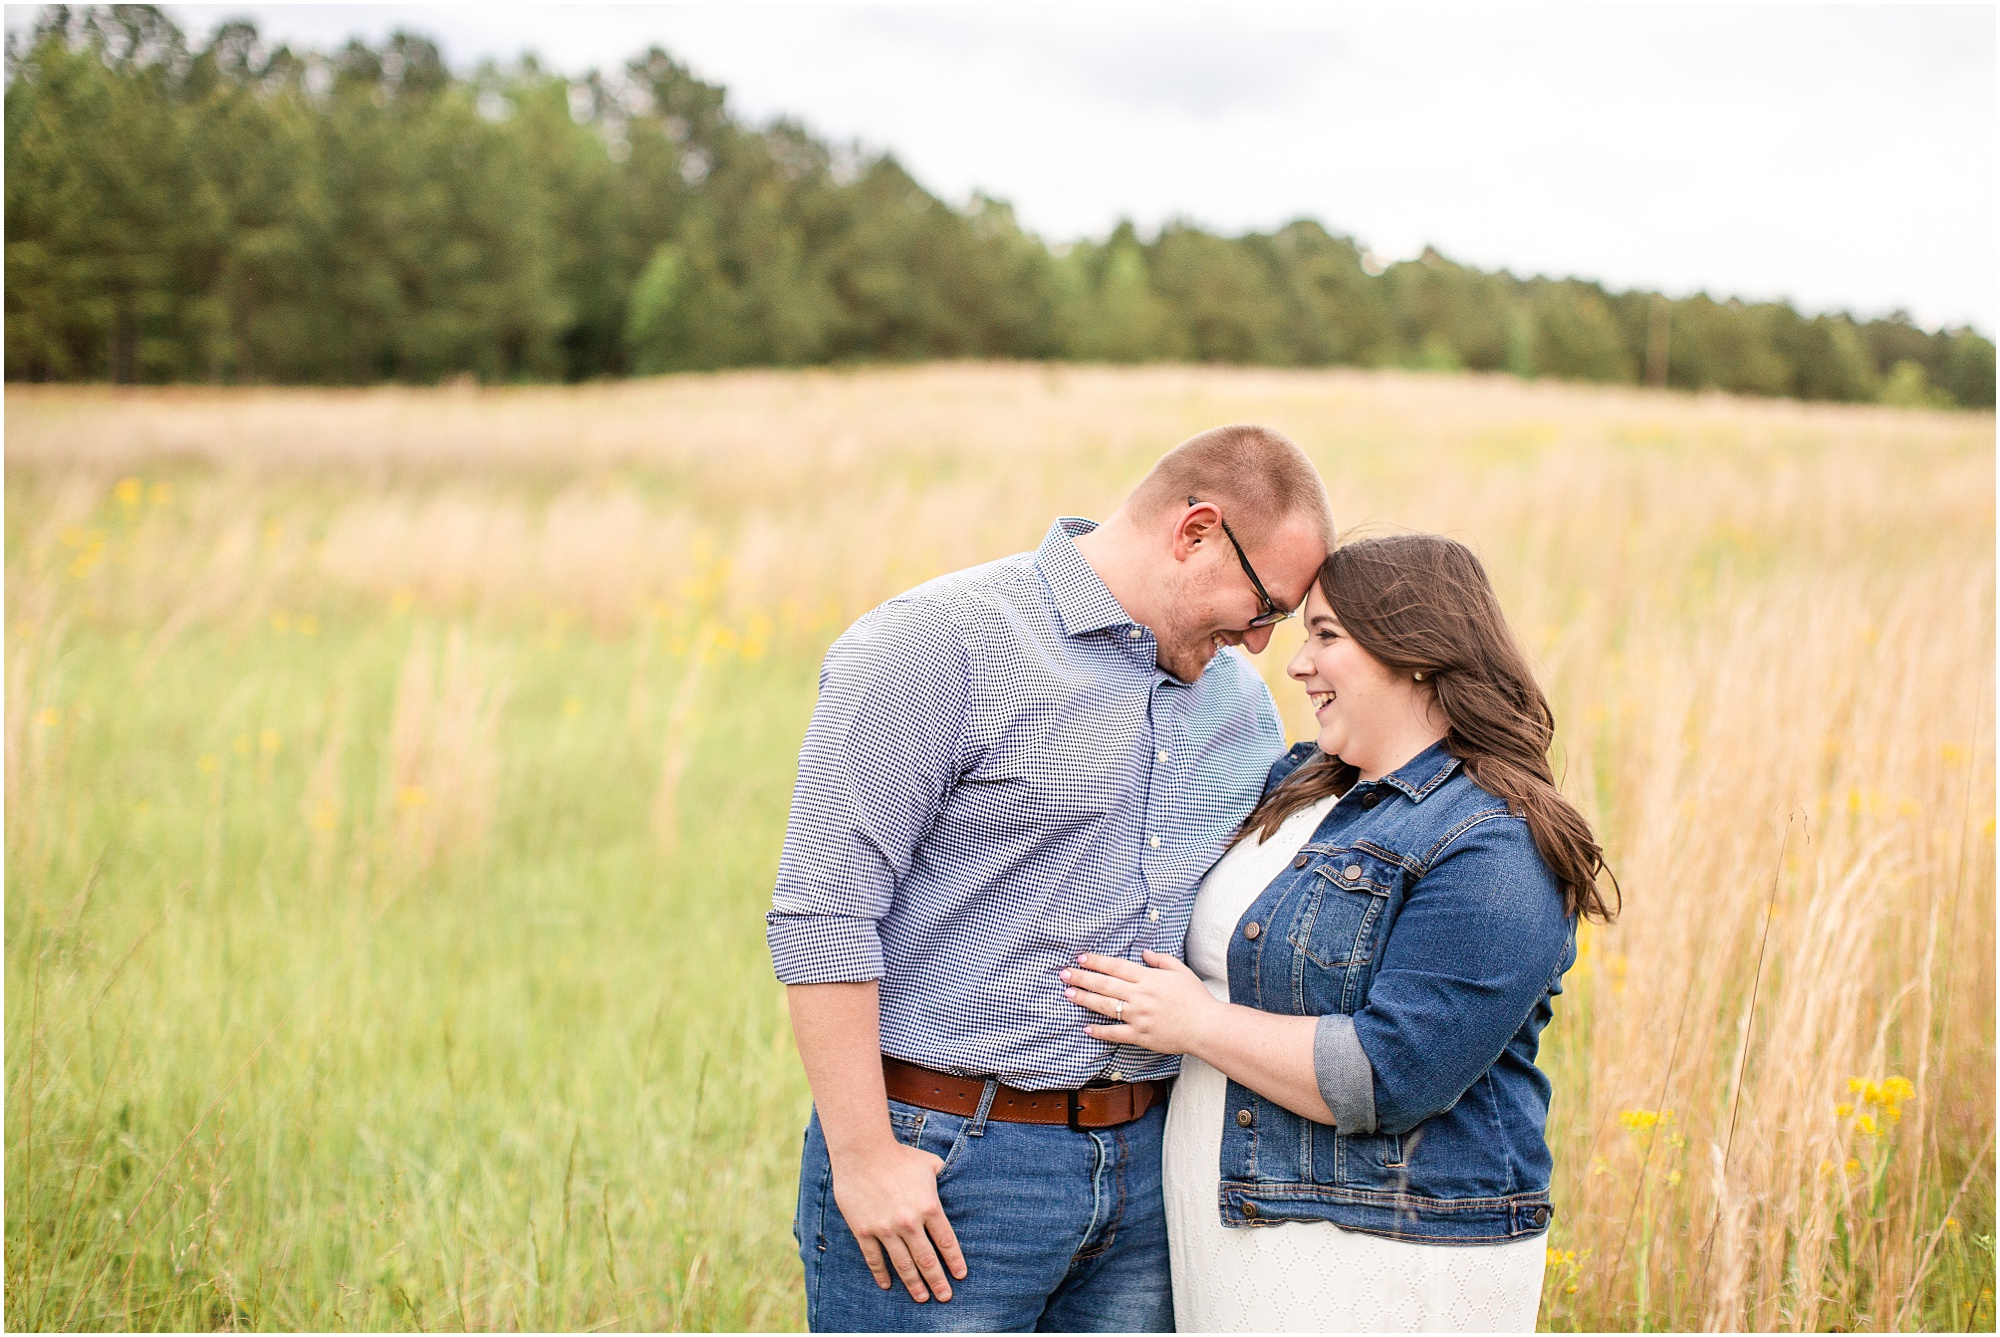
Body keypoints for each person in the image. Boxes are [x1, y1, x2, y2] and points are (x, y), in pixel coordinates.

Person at [766, 424, 1335, 1332]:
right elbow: (824, 914)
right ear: (1193, 531)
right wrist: (866, 1155)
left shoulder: (1239, 702)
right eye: (1262, 604)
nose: (1262, 643)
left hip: (1152, 1174)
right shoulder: (937, 644)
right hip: (949, 1164)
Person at [1063, 533, 1617, 1333]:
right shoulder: (1302, 786)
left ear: (1416, 652)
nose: (1297, 663)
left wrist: (1195, 1023)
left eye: (1326, 635)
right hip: (1234, 1225)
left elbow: (1388, 1074)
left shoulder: (1495, 842)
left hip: (1385, 1246)